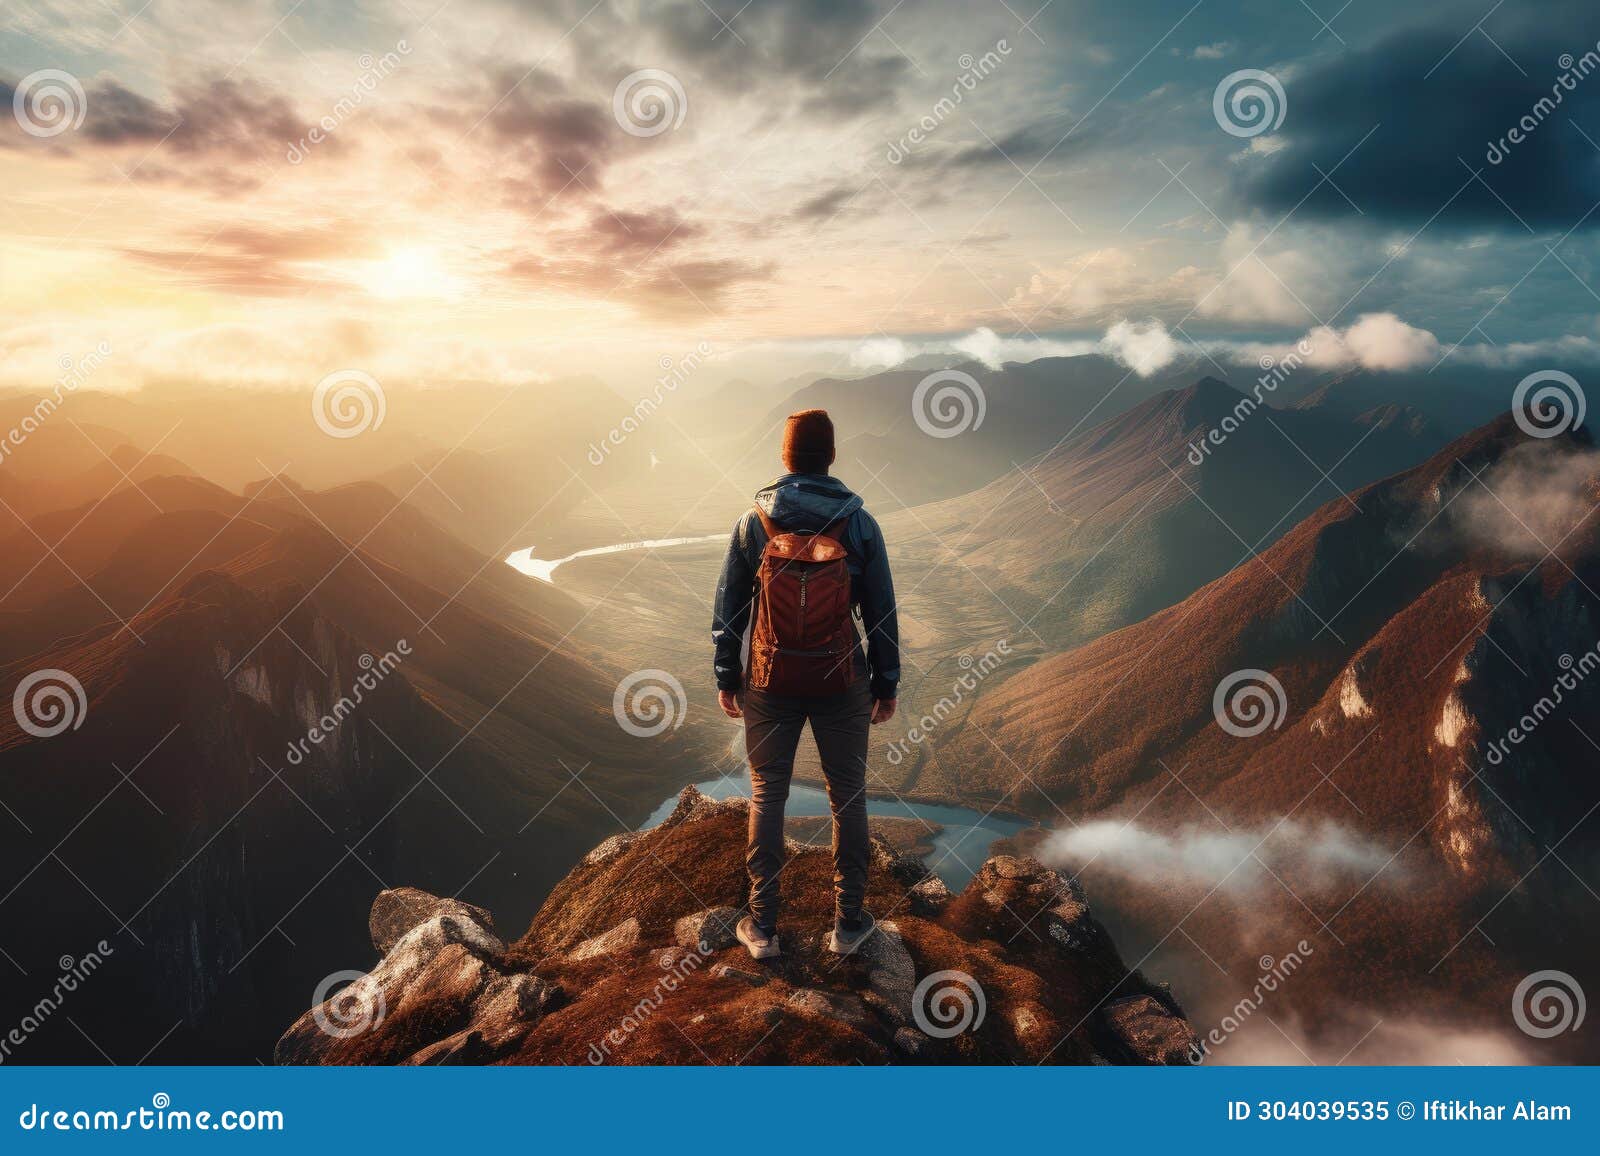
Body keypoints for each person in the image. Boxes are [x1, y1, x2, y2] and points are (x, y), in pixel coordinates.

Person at [711, 409, 899, 961]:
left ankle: (764, 928)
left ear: (785, 456)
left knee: (768, 792)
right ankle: (849, 924)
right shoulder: (860, 525)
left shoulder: (754, 523)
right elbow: (881, 614)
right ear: (831, 457)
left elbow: (730, 609)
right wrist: (885, 684)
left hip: (770, 680)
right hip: (842, 680)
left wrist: (728, 674)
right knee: (848, 797)